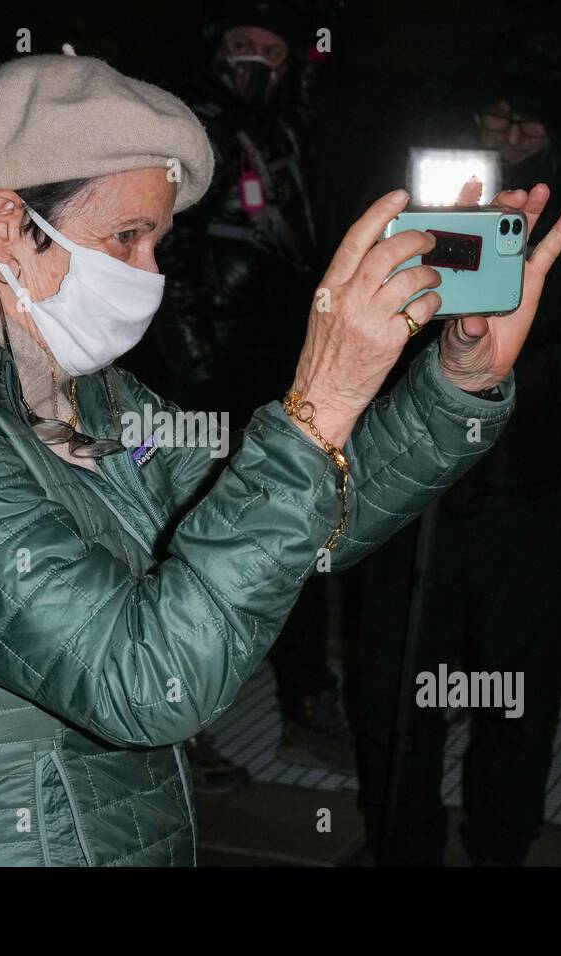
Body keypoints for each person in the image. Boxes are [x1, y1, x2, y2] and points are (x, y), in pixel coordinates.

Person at [0, 52, 561, 866]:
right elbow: (147, 682)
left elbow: (295, 525)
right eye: (125, 236)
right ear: (6, 224)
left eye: (157, 240)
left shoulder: (82, 389)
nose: (149, 273)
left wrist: (454, 383)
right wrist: (318, 403)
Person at [353, 49, 561, 866]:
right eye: (493, 117)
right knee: (396, 680)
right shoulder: (418, 197)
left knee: (518, 686)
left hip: (528, 491)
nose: (508, 136)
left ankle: (502, 845)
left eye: (527, 120)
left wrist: (497, 378)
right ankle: (403, 845)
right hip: (411, 489)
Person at [125, 2, 352, 779]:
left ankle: (306, 698)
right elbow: (170, 252)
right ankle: (172, 725)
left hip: (272, 364)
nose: (254, 59)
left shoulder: (294, 128)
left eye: (270, 49)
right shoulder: (189, 130)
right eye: (240, 44)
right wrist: (190, 370)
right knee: (182, 534)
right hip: (196, 372)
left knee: (293, 519)